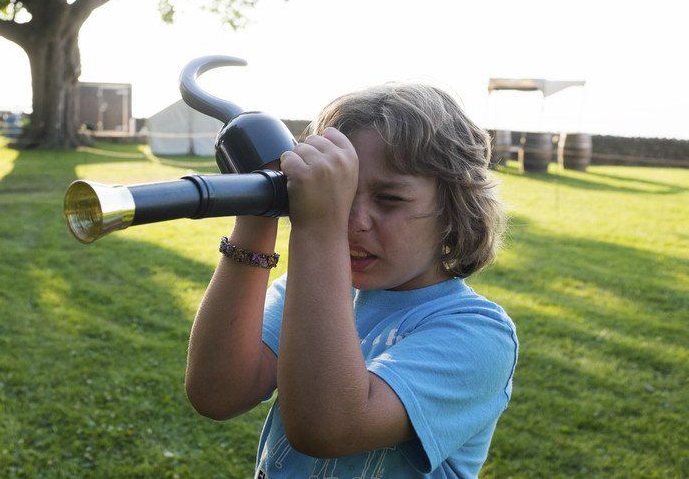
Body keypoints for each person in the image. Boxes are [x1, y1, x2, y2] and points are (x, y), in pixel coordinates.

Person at [185, 83, 518, 478]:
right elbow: (218, 393)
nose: (353, 223)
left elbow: (327, 427)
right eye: (341, 196)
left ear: (454, 209)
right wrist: (259, 212)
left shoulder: (480, 335)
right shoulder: (305, 293)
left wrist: (320, 227)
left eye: (389, 199)